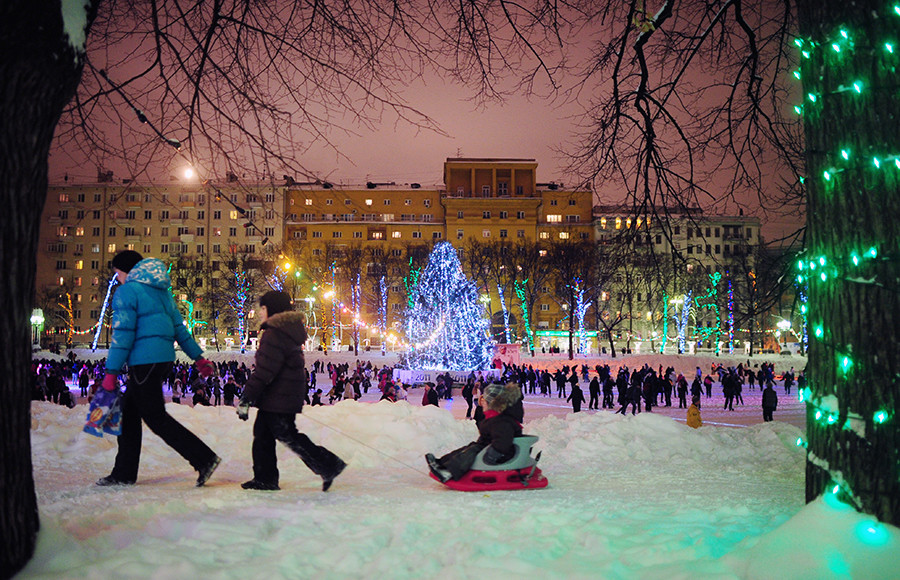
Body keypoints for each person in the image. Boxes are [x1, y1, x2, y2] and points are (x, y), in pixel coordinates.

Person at [96, 250, 220, 487]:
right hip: (162, 360)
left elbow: (122, 335)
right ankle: (124, 472)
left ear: (126, 271)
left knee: (156, 418)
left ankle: (204, 459)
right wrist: (199, 358)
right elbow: (179, 329)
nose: (117, 278)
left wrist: (111, 373)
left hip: (144, 363)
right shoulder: (162, 292)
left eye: (117, 273)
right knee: (129, 415)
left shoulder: (127, 291)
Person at [237, 291, 346, 492]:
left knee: (286, 435)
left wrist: (246, 397)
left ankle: (328, 464)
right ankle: (265, 478)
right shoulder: (284, 331)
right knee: (264, 434)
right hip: (281, 395)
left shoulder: (274, 333)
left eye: (262, 308)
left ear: (271, 310)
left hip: (279, 397)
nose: (260, 313)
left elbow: (264, 371)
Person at [425, 383, 523, 482]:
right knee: (469, 448)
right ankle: (441, 464)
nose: (482, 402)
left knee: (472, 452)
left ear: (493, 404)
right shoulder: (493, 418)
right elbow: (489, 436)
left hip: (501, 454)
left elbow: (503, 441)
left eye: (485, 401)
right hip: (490, 448)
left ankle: (449, 471)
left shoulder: (502, 421)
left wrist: (493, 454)